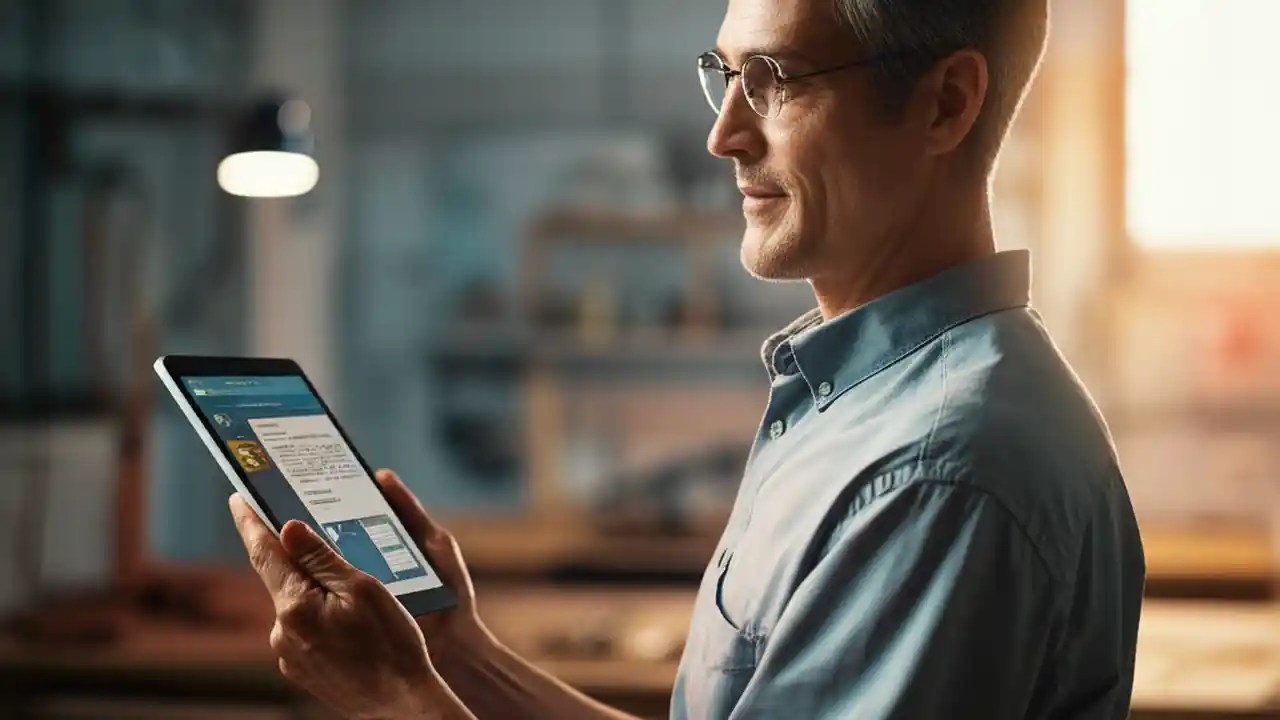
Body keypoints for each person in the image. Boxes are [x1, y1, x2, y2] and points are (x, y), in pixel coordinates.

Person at [228, 0, 1146, 717]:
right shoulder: (873, 405)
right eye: (727, 75)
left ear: (946, 103)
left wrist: (397, 700)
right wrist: (457, 652)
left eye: (777, 79)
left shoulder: (939, 470)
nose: (725, 134)